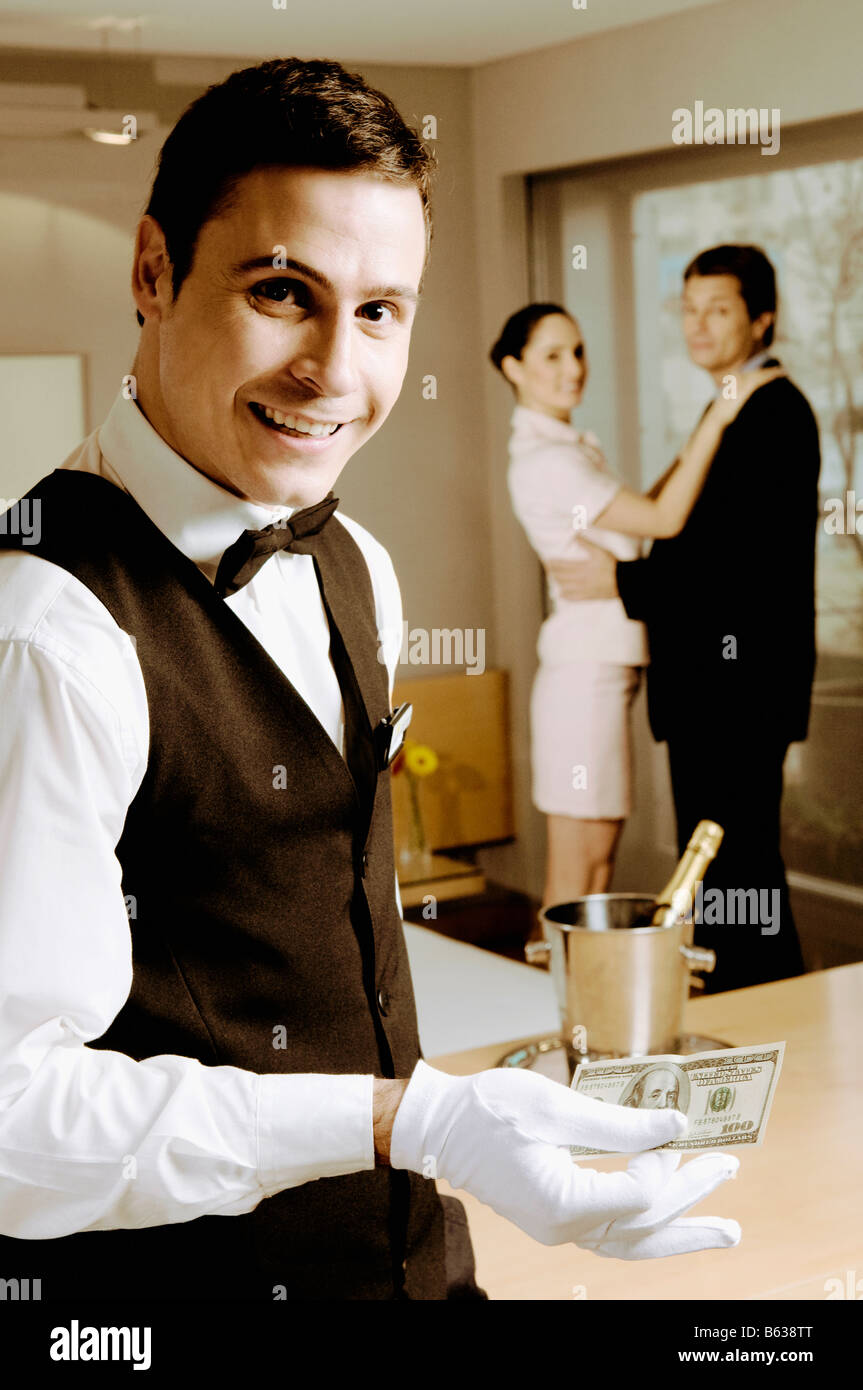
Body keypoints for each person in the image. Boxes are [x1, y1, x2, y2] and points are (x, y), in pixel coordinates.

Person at [0, 60, 742, 1302]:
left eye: (381, 311)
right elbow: (12, 1115)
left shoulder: (357, 562)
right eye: (282, 292)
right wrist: (410, 1120)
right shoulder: (40, 631)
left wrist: (473, 1121)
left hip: (407, 1270)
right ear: (151, 270)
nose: (334, 370)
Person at [548, 246, 820, 993]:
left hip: (736, 686)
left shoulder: (772, 411)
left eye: (719, 309)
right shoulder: (731, 400)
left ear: (761, 317)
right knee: (725, 866)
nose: (697, 326)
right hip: (716, 684)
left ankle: (765, 1014)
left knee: (736, 866)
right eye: (688, 308)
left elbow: (736, 564)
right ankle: (755, 1012)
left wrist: (621, 577)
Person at [490, 303, 780, 907]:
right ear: (514, 368)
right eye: (551, 356)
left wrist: (698, 435)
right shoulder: (550, 461)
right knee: (580, 876)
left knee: (595, 870)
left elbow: (637, 513)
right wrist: (719, 417)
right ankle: (549, 1000)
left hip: (600, 675)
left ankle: (563, 999)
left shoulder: (570, 450)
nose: (573, 368)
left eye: (577, 350)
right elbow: (663, 519)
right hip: (583, 678)